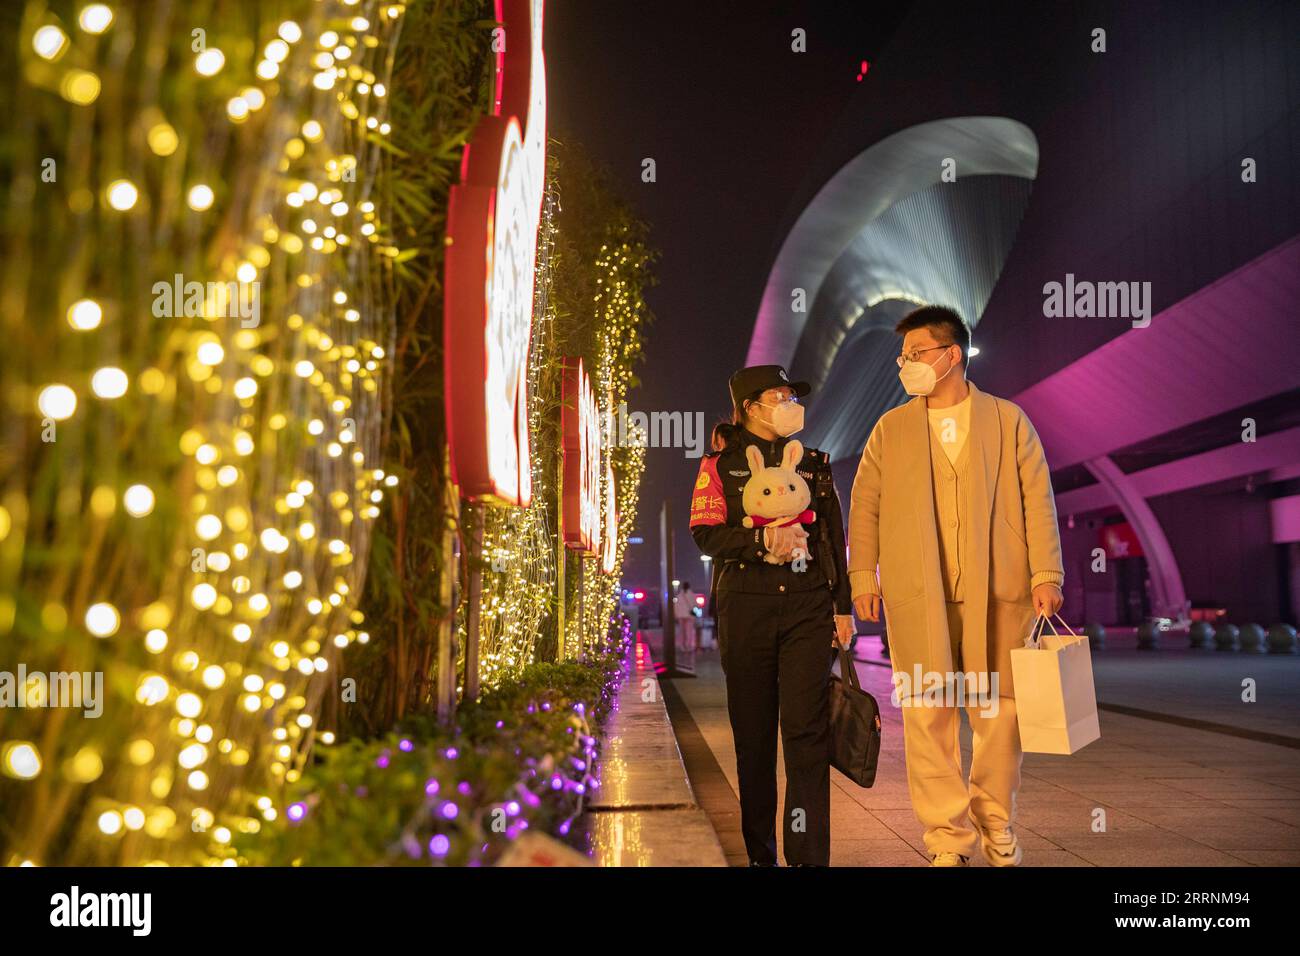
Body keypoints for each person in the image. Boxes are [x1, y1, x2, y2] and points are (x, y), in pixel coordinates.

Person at [848, 305, 1064, 867]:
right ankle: (947, 838)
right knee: (927, 715)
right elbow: (865, 505)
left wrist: (1046, 574)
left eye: (915, 354)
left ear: (951, 354)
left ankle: (996, 823)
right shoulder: (890, 429)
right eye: (902, 357)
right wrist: (861, 574)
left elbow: (1038, 500)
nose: (905, 365)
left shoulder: (1007, 420)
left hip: (1000, 595)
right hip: (919, 595)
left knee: (998, 718)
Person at [689, 364, 855, 867]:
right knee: (753, 736)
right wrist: (760, 539)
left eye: (791, 394)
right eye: (779, 395)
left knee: (806, 734)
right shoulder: (717, 466)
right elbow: (706, 533)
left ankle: (808, 858)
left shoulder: (815, 462)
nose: (789, 402)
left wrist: (842, 607)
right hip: (746, 607)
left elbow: (833, 539)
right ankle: (761, 855)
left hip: (808, 605)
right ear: (750, 406)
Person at [673, 581, 697, 653]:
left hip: (681, 616)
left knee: (682, 631)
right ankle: (688, 646)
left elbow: (676, 607)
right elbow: (695, 605)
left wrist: (676, 615)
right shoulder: (692, 595)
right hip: (689, 616)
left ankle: (682, 645)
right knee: (689, 631)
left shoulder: (679, 596)